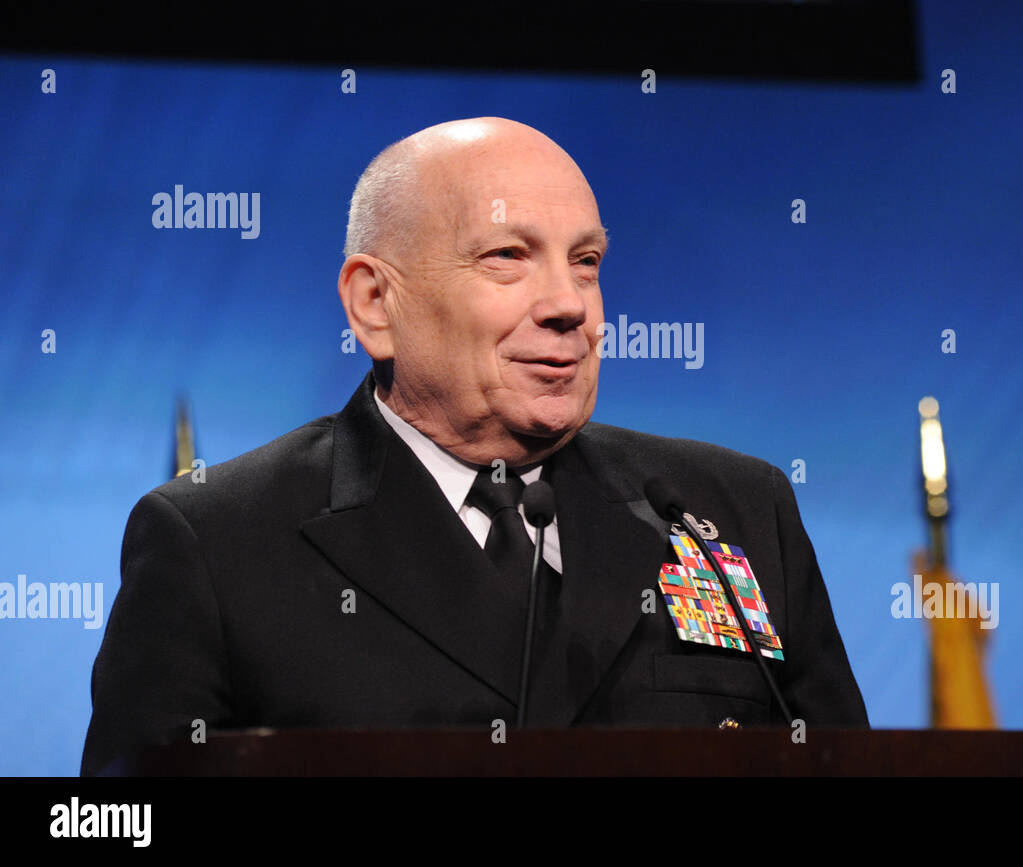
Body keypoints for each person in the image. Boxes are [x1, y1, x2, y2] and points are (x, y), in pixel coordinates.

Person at [80, 118, 867, 776]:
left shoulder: (729, 509)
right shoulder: (217, 544)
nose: (568, 305)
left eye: (585, 263)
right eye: (507, 258)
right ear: (375, 303)